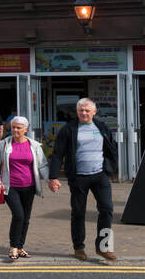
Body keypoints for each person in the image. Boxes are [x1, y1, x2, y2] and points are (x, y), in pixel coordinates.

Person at [48, 97, 119, 262]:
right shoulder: (69, 129)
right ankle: (79, 247)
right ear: (77, 112)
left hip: (100, 175)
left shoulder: (101, 127)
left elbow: (111, 148)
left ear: (94, 112)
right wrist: (53, 177)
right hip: (78, 177)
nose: (84, 113)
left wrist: (110, 168)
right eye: (81, 110)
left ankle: (104, 247)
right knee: (78, 212)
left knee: (107, 209)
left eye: (87, 110)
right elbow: (58, 153)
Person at [0, 115, 50, 261]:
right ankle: (13, 247)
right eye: (13, 127)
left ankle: (20, 247)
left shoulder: (34, 145)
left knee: (26, 218)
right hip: (10, 187)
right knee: (18, 215)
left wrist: (50, 180)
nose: (15, 130)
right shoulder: (4, 144)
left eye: (19, 127)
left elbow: (42, 165)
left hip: (29, 187)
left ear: (26, 129)